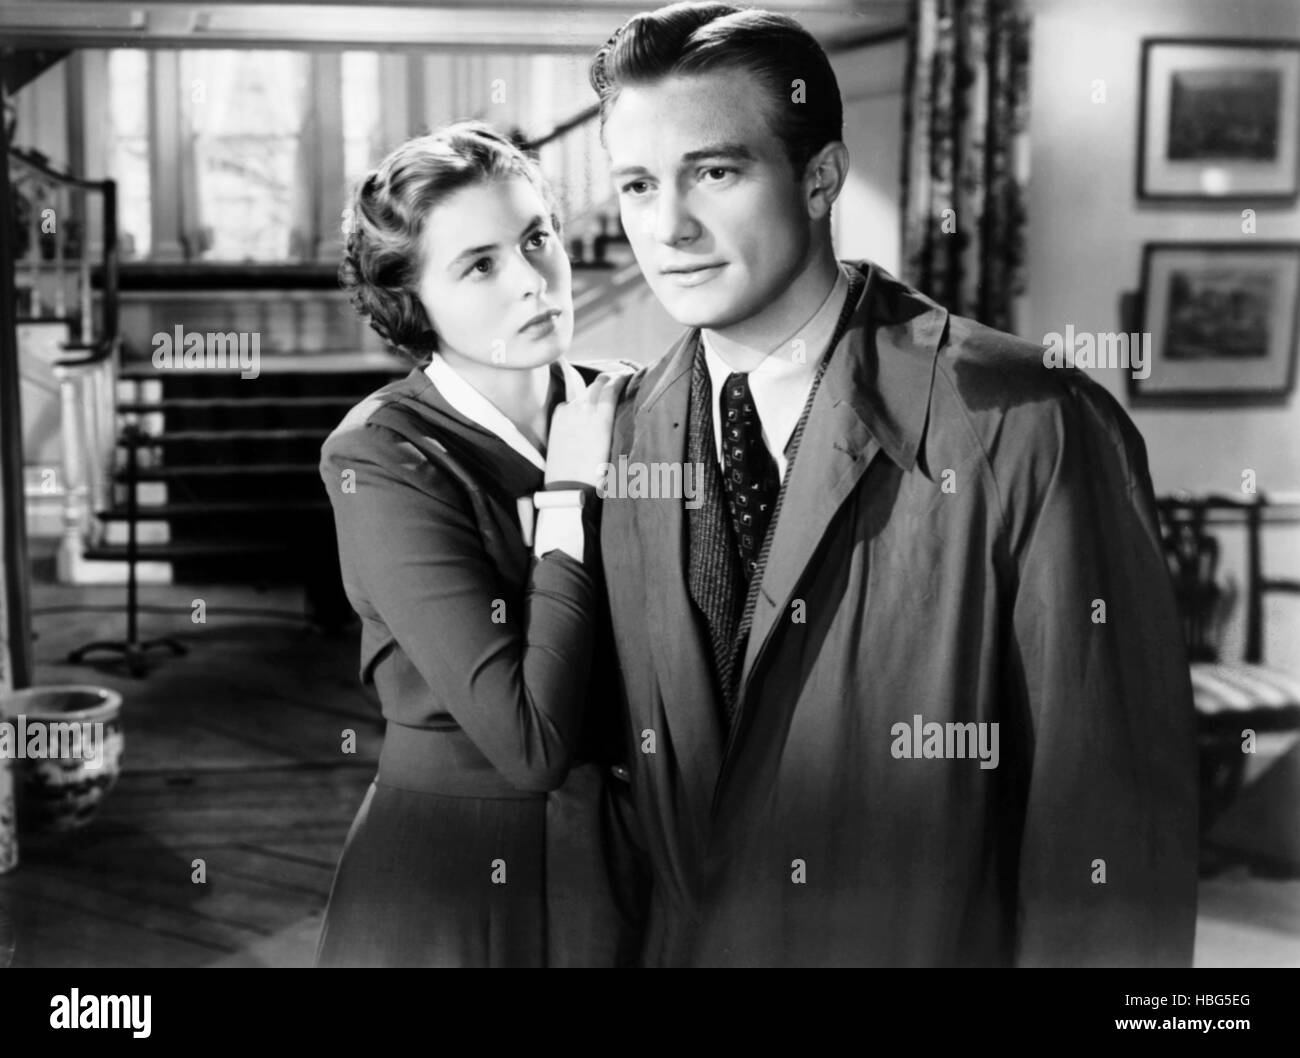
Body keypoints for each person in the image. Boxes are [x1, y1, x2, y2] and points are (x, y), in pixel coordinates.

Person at [589, 3, 1199, 967]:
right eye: (635, 184)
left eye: (715, 171)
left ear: (821, 176)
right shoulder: (620, 432)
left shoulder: (1029, 422)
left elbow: (1109, 836)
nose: (668, 227)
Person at [315, 121, 643, 967]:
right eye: (480, 264)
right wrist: (569, 497)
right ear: (410, 300)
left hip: (626, 854)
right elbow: (529, 743)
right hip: (453, 879)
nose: (534, 282)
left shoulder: (628, 407)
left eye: (536, 238)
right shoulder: (383, 455)